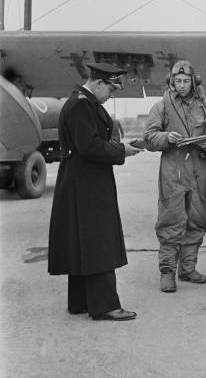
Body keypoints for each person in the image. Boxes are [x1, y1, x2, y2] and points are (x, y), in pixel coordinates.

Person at [48, 62, 142, 321]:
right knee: (99, 242)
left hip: (81, 181)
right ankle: (105, 306)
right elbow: (89, 147)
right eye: (111, 88)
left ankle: (81, 302)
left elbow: (90, 143)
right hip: (87, 184)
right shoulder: (82, 104)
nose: (112, 94)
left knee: (82, 241)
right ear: (98, 82)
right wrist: (122, 151)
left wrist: (120, 146)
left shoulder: (83, 102)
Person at [144, 60, 206, 293]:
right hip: (173, 171)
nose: (181, 85)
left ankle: (188, 268)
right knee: (171, 221)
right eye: (177, 81)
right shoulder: (161, 107)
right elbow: (149, 137)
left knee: (197, 219)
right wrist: (166, 137)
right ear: (171, 82)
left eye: (186, 81)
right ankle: (167, 272)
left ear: (193, 82)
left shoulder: (203, 106)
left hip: (199, 171)